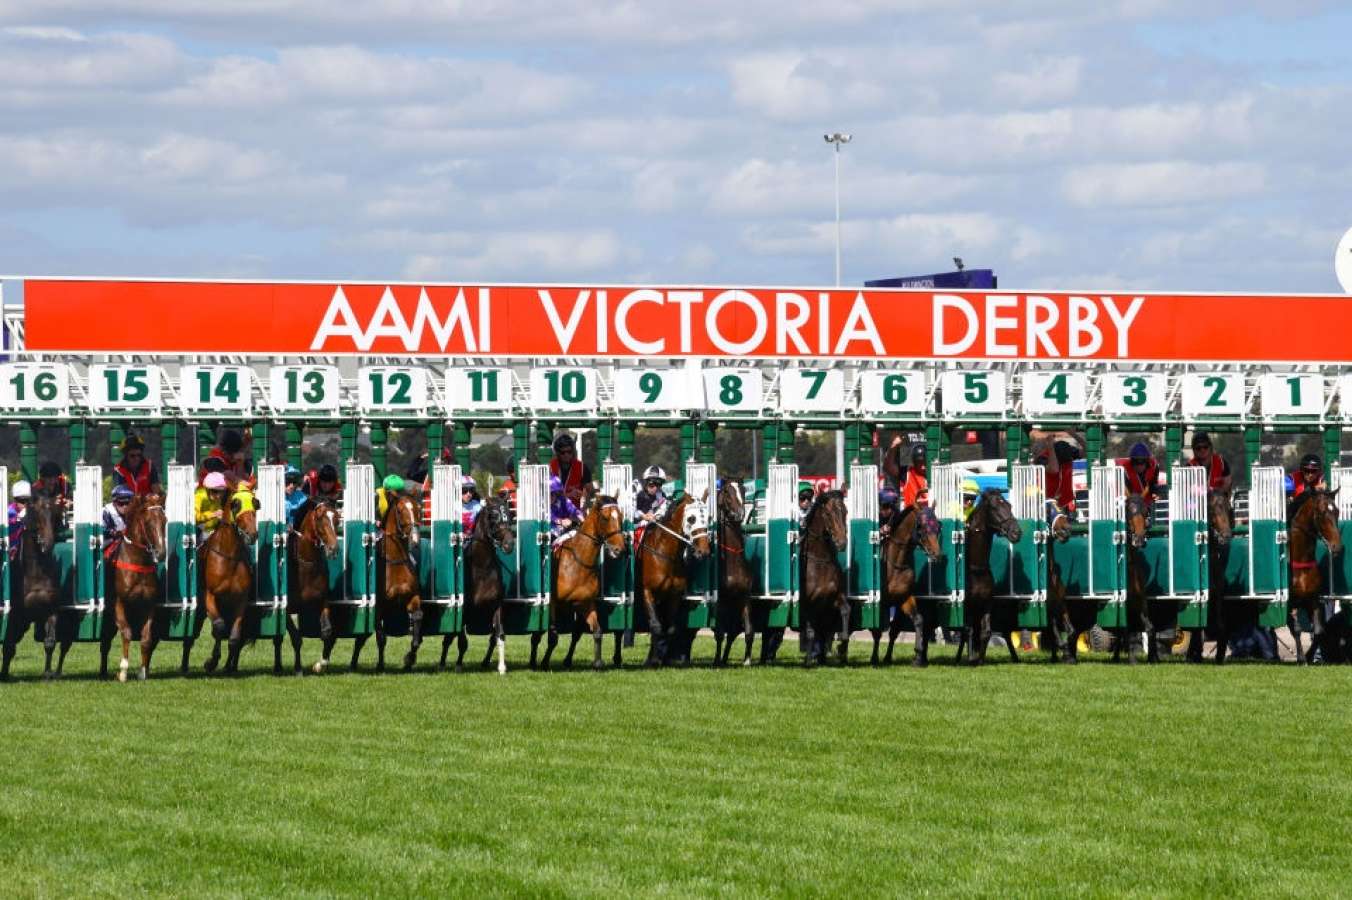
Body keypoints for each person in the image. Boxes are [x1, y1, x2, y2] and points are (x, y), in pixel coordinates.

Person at [1032, 430, 1081, 514]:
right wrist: (1051, 447)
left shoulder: (1066, 453)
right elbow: (1054, 470)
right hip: (1047, 503)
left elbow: (1088, 451)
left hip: (1066, 503)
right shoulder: (1041, 459)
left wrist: (1073, 434)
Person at [549, 433, 592, 505]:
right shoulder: (550, 468)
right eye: (563, 452)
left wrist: (583, 494)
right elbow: (548, 496)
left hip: (575, 512)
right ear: (557, 453)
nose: (566, 455)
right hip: (555, 512)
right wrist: (569, 495)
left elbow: (590, 490)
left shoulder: (582, 467)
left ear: (573, 451)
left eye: (569, 452)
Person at [1117, 441, 1161, 508]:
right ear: (1131, 462)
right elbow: (1125, 490)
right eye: (1136, 463)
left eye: (1142, 463)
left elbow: (1153, 485)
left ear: (1147, 462)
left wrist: (1155, 494)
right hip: (1131, 503)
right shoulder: (1123, 469)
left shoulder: (1154, 466)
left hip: (1148, 502)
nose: (1139, 466)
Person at [194, 471, 230, 538]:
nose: (218, 496)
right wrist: (213, 514)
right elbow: (195, 516)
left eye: (221, 492)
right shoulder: (199, 496)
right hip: (200, 530)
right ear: (208, 489)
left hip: (214, 530)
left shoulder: (217, 498)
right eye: (215, 491)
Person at [101, 484, 134, 556]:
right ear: (114, 503)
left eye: (127, 503)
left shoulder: (131, 513)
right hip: (107, 542)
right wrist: (115, 532)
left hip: (125, 543)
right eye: (121, 503)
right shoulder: (106, 512)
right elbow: (102, 529)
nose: (125, 506)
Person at [549, 474, 582, 544]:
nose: (550, 496)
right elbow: (551, 517)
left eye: (552, 493)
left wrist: (582, 518)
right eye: (548, 493)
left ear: (557, 493)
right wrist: (561, 521)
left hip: (565, 530)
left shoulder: (562, 500)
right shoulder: (542, 505)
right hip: (550, 532)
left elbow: (574, 510)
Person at [7, 480, 30, 560]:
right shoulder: (9, 511)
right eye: (22, 501)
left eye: (28, 501)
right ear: (15, 500)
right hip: (10, 550)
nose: (25, 504)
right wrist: (18, 518)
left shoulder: (31, 511)